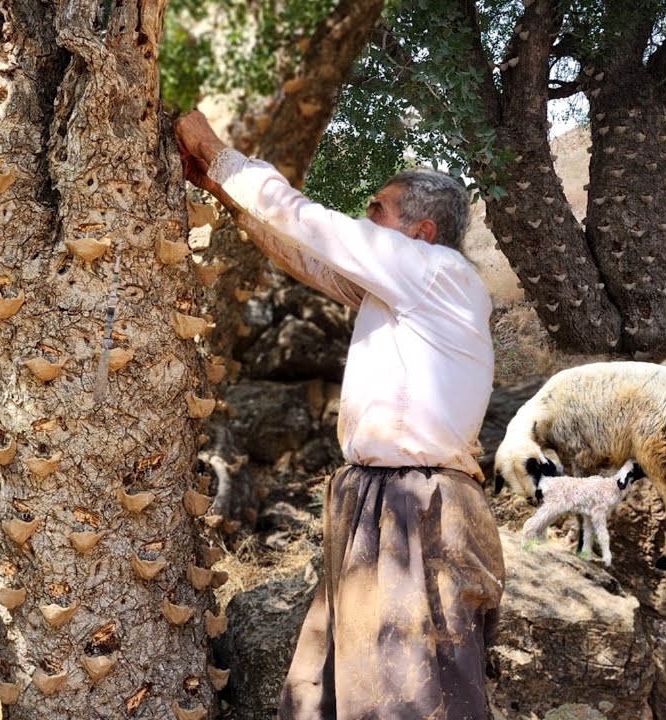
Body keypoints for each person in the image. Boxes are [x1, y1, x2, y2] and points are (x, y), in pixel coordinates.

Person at [175, 111, 505, 720]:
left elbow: (311, 223)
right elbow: (311, 261)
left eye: (378, 210)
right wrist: (224, 192)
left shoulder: (436, 271)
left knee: (409, 691)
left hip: (416, 504)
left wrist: (218, 153)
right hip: (384, 496)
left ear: (422, 232)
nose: (363, 218)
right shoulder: (405, 290)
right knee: (351, 680)